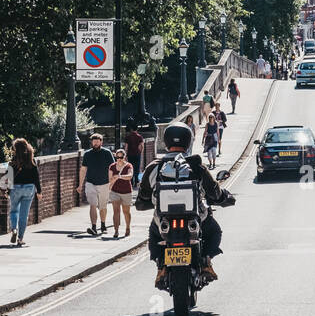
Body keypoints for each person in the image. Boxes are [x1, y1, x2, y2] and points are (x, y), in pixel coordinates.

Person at [136, 122, 235, 286]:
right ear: (188, 141)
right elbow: (213, 191)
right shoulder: (196, 166)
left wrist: (143, 203)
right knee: (214, 231)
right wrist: (223, 197)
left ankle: (161, 266)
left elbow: (144, 196)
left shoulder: (154, 167)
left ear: (166, 141)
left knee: (154, 235)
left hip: (164, 220)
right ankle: (206, 261)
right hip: (195, 218)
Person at [77, 132, 115, 235]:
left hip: (104, 183)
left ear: (101, 142)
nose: (95, 144)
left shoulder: (107, 153)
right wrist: (80, 184)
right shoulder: (87, 154)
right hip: (90, 183)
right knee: (92, 205)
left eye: (97, 142)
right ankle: (93, 227)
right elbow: (83, 169)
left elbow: (112, 169)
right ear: (91, 143)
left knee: (103, 207)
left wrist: (111, 182)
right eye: (94, 142)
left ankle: (103, 225)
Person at [4, 137, 41, 247]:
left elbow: (8, 178)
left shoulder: (12, 162)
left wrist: (8, 190)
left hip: (15, 188)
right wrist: (39, 191)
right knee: (24, 215)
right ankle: (20, 239)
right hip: (29, 189)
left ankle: (14, 229)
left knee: (14, 211)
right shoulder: (31, 161)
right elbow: (36, 177)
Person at [109, 148, 135, 238]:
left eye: (121, 157)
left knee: (126, 212)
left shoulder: (128, 166)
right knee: (116, 211)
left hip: (126, 191)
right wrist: (112, 181)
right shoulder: (112, 166)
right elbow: (110, 179)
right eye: (117, 157)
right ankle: (116, 230)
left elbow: (130, 176)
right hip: (115, 191)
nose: (119, 159)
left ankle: (127, 227)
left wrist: (119, 176)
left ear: (124, 157)